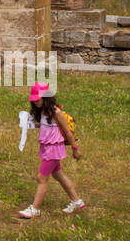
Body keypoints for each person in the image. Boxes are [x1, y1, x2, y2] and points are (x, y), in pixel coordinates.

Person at [18, 83, 84, 219]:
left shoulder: (57, 113)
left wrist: (75, 149)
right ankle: (77, 201)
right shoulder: (43, 112)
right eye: (34, 100)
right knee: (58, 175)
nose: (35, 102)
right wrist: (30, 124)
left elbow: (68, 132)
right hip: (47, 147)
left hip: (53, 149)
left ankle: (35, 209)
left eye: (38, 99)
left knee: (41, 178)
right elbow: (46, 126)